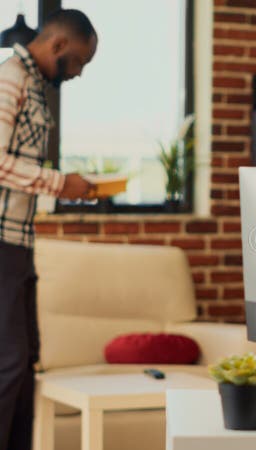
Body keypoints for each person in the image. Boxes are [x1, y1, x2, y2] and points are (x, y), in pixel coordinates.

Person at [0, 9, 97, 449]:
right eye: (77, 61)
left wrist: (68, 184)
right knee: (9, 363)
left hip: (19, 242)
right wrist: (62, 183)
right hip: (0, 244)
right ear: (58, 45)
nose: (77, 74)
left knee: (26, 364)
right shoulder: (11, 77)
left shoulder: (36, 85)